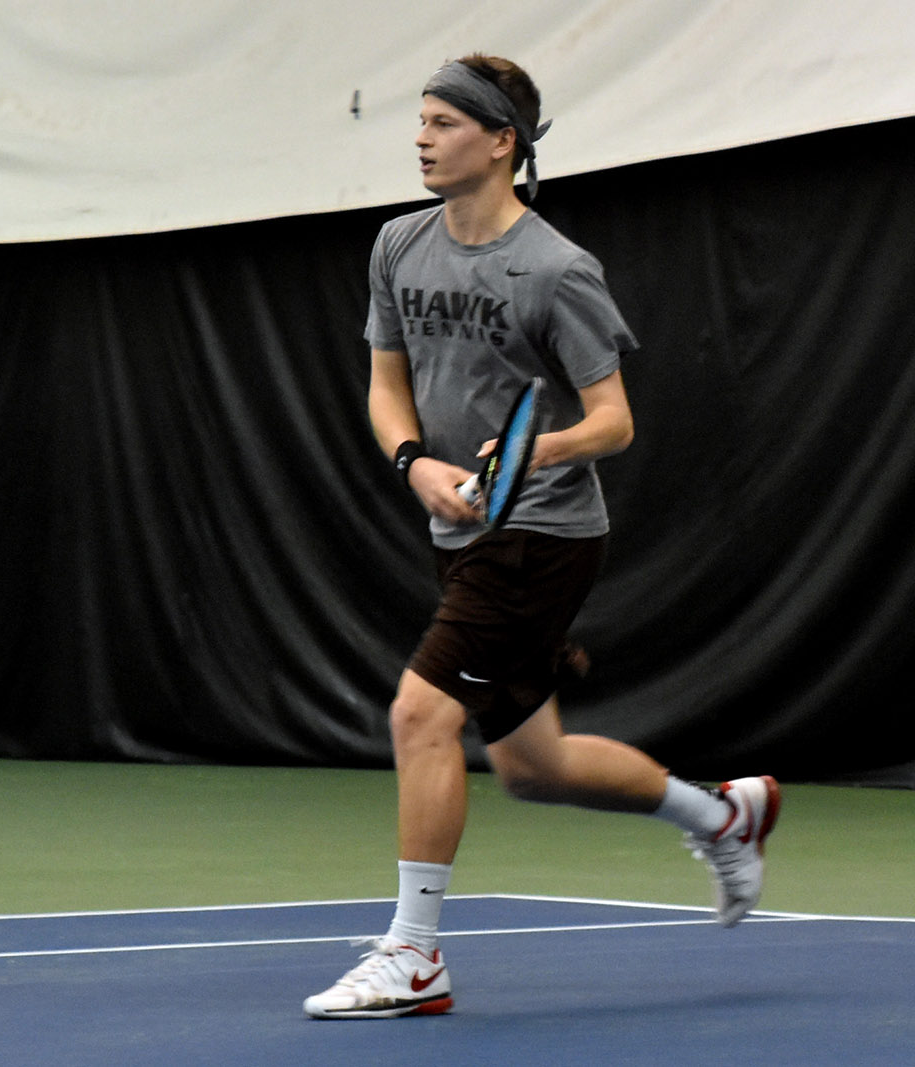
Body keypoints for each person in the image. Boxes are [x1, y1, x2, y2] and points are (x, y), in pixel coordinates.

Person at [303, 53, 779, 1020]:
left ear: (501, 141)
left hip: (545, 536)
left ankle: (416, 956)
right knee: (535, 767)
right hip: (459, 530)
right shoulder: (398, 245)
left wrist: (529, 454)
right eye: (422, 121)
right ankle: (721, 812)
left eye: (443, 122)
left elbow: (615, 420)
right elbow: (386, 387)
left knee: (419, 715)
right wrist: (416, 466)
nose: (422, 138)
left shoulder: (558, 270)